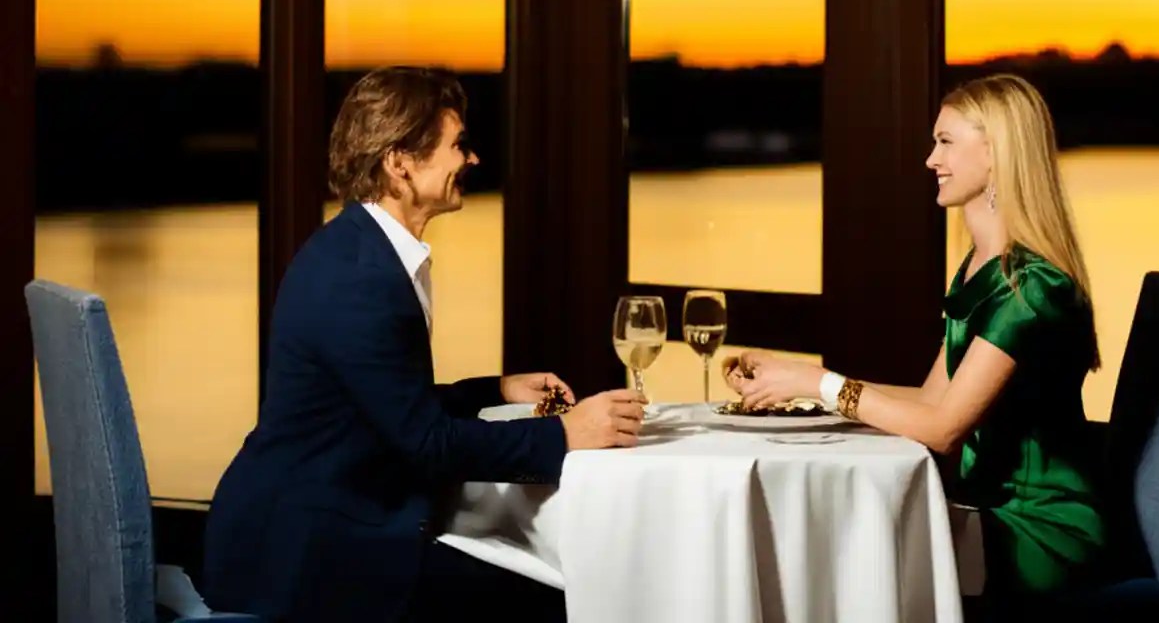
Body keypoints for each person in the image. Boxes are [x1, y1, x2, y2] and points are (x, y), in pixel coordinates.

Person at [202, 66, 645, 622]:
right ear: (399, 163)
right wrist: (564, 433)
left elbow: (386, 404)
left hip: (327, 524)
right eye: (457, 145)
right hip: (311, 553)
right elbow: (426, 444)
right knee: (555, 605)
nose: (472, 160)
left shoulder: (366, 250)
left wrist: (497, 388)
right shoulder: (361, 277)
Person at [725, 74, 1105, 602]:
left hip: (1036, 531)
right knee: (825, 546)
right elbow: (931, 400)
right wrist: (798, 378)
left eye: (946, 142)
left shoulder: (1032, 289)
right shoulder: (980, 268)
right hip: (978, 509)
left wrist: (819, 383)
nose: (931, 159)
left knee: (838, 553)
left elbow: (942, 429)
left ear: (996, 153)